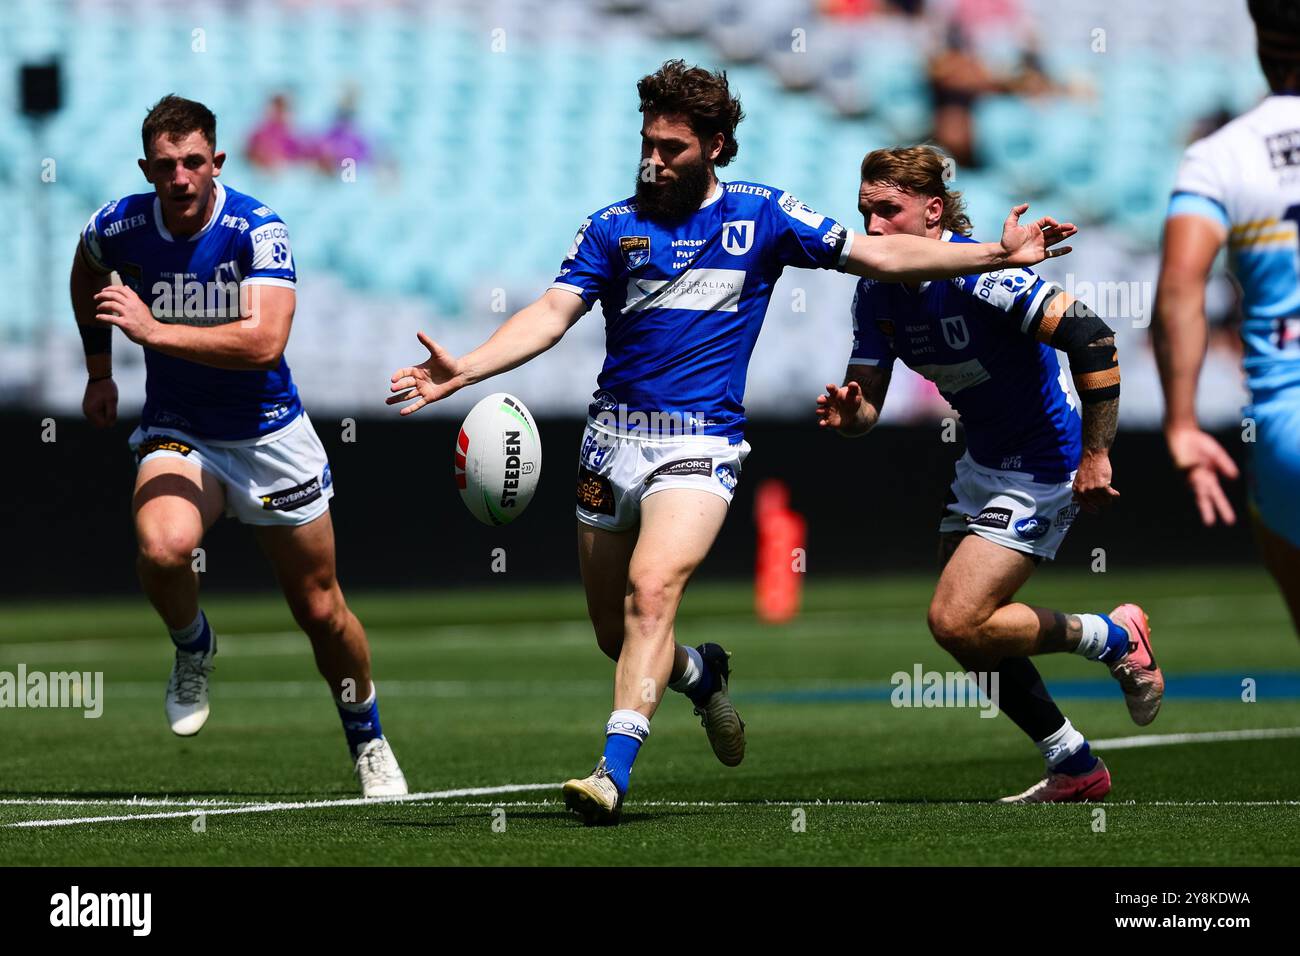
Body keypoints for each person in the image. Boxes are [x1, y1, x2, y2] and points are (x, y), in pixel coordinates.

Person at [388, 62, 1074, 824]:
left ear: (717, 145)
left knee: (652, 594)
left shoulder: (766, 214)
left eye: (673, 148)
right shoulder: (612, 226)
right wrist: (466, 369)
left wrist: (997, 255)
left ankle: (610, 774)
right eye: (647, 142)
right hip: (610, 444)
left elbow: (880, 254)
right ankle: (702, 676)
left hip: (700, 445)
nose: (654, 160)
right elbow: (552, 315)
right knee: (617, 638)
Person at [72, 95, 407, 797]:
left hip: (268, 435)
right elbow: (84, 269)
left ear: (216, 161)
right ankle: (194, 645)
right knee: (162, 549)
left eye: (194, 161)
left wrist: (153, 331)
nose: (181, 177)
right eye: (165, 166)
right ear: (147, 169)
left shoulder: (258, 228)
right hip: (179, 430)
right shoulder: (121, 224)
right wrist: (100, 371)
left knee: (320, 608)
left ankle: (366, 735)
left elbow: (264, 342)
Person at [816, 145, 1161, 803]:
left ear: (933, 210)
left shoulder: (987, 276)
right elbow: (866, 406)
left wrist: (1097, 455)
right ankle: (1073, 763)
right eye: (866, 212)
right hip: (981, 465)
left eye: (888, 210)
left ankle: (1115, 635)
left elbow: (1093, 338)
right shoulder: (875, 294)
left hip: (1043, 464)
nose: (874, 227)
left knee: (954, 620)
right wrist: (851, 412)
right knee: (971, 637)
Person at [1153, 0, 1300, 639]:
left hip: (1286, 424)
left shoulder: (1222, 155)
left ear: (1263, 48)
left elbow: (1180, 290)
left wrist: (1182, 422)